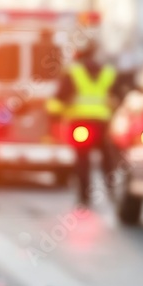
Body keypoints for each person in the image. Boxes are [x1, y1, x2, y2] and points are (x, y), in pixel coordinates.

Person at [47, 39, 129, 206]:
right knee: (108, 160)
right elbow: (120, 97)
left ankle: (85, 198)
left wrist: (53, 114)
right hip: (103, 124)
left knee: (82, 160)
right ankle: (113, 193)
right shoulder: (108, 72)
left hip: (81, 123)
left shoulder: (73, 72)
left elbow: (58, 100)